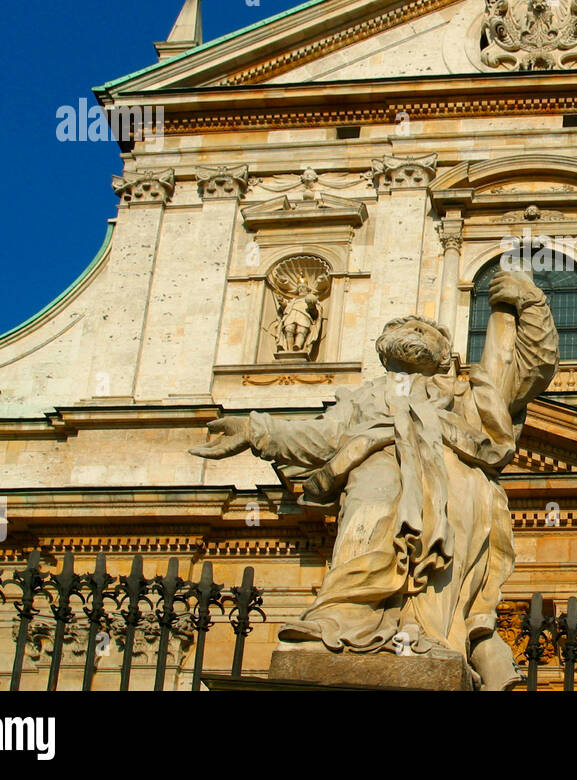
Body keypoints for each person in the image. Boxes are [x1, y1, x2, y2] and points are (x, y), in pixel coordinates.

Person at [191, 269, 558, 690]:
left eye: (426, 329)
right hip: (377, 469)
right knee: (375, 502)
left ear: (445, 356)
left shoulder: (467, 396)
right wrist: (255, 429)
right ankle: (343, 615)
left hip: (455, 489)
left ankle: (425, 633)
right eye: (403, 326)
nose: (414, 330)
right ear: (385, 351)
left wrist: (531, 304)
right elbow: (319, 437)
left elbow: (530, 367)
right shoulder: (366, 397)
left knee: (446, 548)